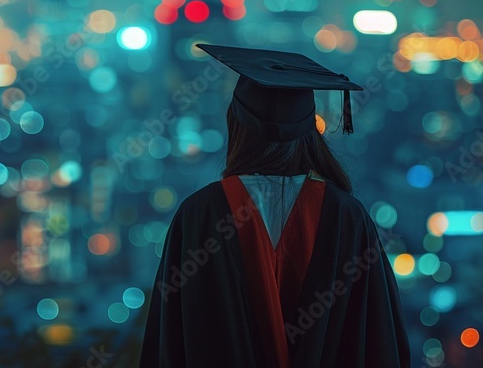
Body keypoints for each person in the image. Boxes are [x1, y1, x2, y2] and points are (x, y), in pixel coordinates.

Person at [139, 44, 411, 367]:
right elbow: (379, 343)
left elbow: (169, 345)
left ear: (235, 124)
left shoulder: (199, 214)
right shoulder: (348, 218)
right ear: (309, 130)